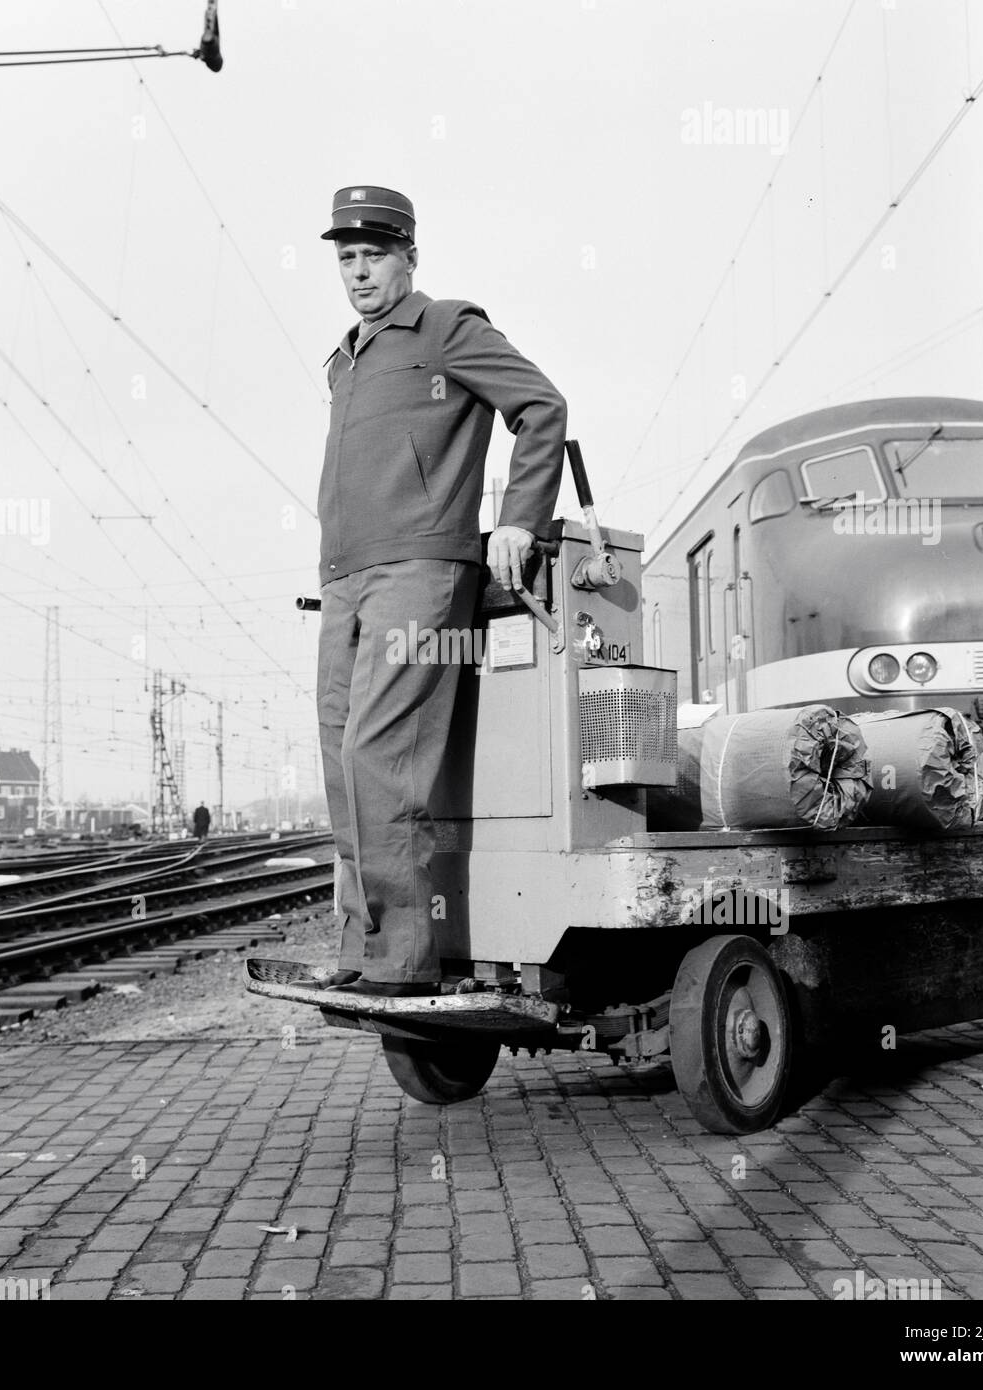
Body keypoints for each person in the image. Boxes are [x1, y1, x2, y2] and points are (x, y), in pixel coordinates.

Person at [311, 185, 566, 998]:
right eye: (345, 258)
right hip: (344, 580)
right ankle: (362, 948)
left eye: (373, 255)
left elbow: (541, 407)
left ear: (409, 256)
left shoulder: (447, 326)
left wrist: (520, 519)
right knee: (339, 762)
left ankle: (400, 959)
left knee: (376, 756)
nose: (357, 272)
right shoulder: (345, 360)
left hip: (420, 573)